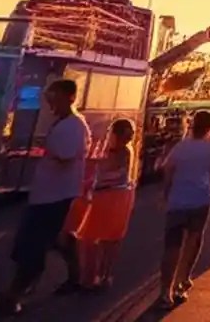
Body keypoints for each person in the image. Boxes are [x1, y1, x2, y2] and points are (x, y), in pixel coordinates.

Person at [0, 80, 91, 316]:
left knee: (31, 245)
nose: (49, 104)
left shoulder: (73, 125)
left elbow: (66, 155)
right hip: (50, 194)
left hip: (53, 196)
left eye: (53, 98)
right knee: (59, 240)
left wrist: (46, 152)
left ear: (69, 97)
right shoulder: (66, 123)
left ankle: (13, 296)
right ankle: (74, 278)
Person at [159, 110, 210, 310]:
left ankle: (165, 291)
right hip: (200, 199)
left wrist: (166, 193)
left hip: (177, 201)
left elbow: (168, 171)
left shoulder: (180, 147)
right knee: (193, 240)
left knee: (171, 246)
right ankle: (182, 281)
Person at [76, 118, 138, 291]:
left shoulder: (117, 152)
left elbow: (104, 172)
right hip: (119, 197)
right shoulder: (126, 151)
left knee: (93, 238)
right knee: (110, 239)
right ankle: (104, 275)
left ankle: (92, 276)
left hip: (107, 196)